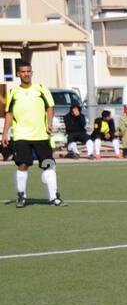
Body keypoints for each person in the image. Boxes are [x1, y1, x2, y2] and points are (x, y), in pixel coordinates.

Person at [2, 57, 66, 207]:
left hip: (41, 135)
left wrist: (49, 123)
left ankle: (53, 197)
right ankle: (21, 197)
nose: (26, 74)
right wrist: (5, 133)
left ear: (32, 73)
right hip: (21, 135)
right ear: (18, 74)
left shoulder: (41, 89)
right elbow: (9, 114)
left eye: (28, 71)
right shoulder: (13, 92)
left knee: (48, 164)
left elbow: (50, 107)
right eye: (23, 72)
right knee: (23, 165)